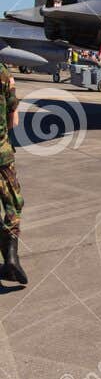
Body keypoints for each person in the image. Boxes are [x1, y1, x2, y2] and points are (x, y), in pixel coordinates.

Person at [0, 67, 23, 285]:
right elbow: (13, 121)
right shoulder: (5, 75)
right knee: (13, 205)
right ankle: (11, 258)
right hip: (2, 155)